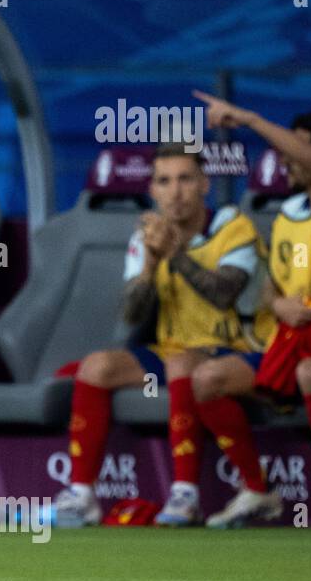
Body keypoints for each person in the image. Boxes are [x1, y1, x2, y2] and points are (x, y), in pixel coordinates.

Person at [53, 144, 263, 528]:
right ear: (152, 189)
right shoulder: (148, 235)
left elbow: (224, 293)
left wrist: (175, 253)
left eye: (185, 179)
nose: (175, 192)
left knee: (181, 363)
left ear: (205, 184)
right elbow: (131, 314)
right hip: (172, 350)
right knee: (97, 366)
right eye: (164, 182)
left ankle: (185, 495)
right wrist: (149, 265)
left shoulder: (232, 227)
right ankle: (82, 495)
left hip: (233, 349)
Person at [188, 94, 311, 530]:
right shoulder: (290, 214)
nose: (283, 156)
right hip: (293, 345)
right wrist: (280, 304)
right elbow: (274, 286)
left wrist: (250, 119)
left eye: (295, 146)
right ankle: (256, 489)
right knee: (207, 379)